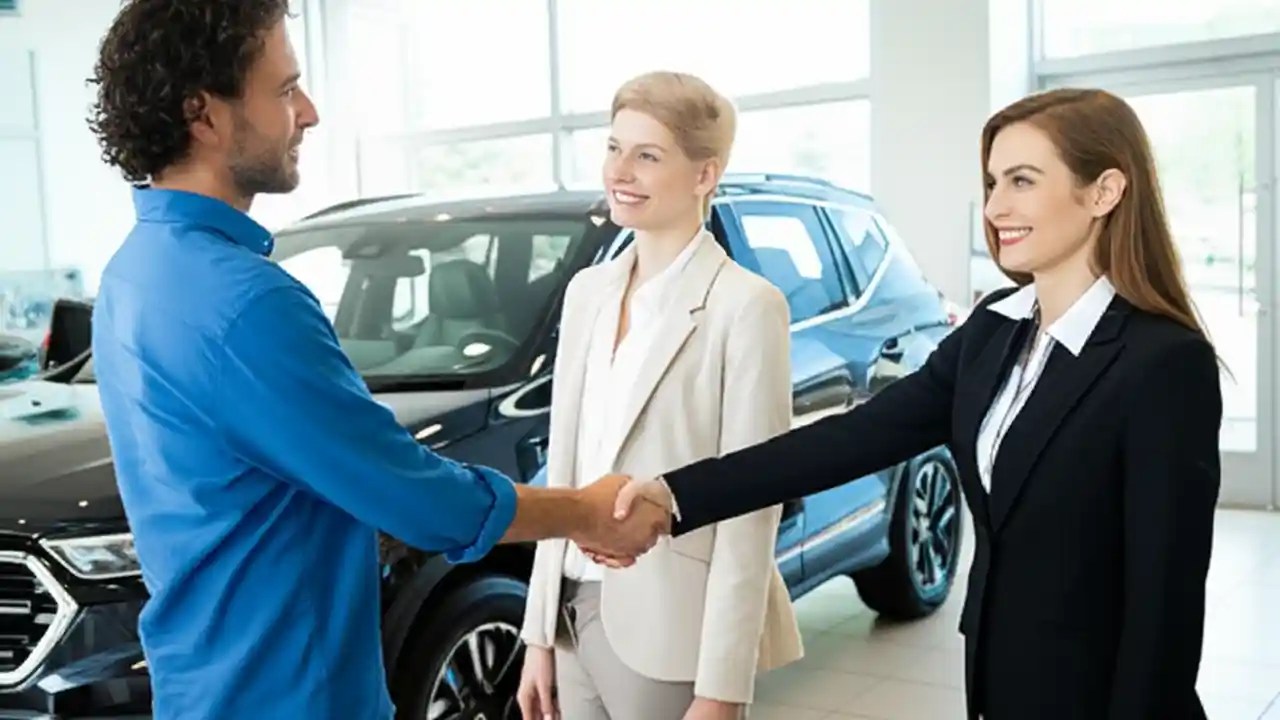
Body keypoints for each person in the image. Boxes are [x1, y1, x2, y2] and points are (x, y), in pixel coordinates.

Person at [85, 3, 665, 719]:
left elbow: (235, 478)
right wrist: (584, 511)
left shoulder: (132, 273)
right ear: (204, 114)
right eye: (284, 88)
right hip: (294, 694)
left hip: (200, 686)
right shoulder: (249, 301)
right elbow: (422, 499)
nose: (310, 111)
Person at [602, 88, 1223, 720]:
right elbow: (852, 439)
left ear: (1104, 192)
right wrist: (674, 496)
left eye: (1022, 181)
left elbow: (1165, 604)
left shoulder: (1163, 364)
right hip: (999, 680)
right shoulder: (993, 331)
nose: (995, 206)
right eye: (991, 182)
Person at [514, 71, 804, 720]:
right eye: (614, 148)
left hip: (672, 628)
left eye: (648, 155)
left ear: (705, 175)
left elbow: (751, 505)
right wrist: (537, 635)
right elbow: (564, 463)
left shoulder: (746, 307)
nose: (621, 170)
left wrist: (722, 688)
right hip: (568, 616)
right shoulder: (588, 292)